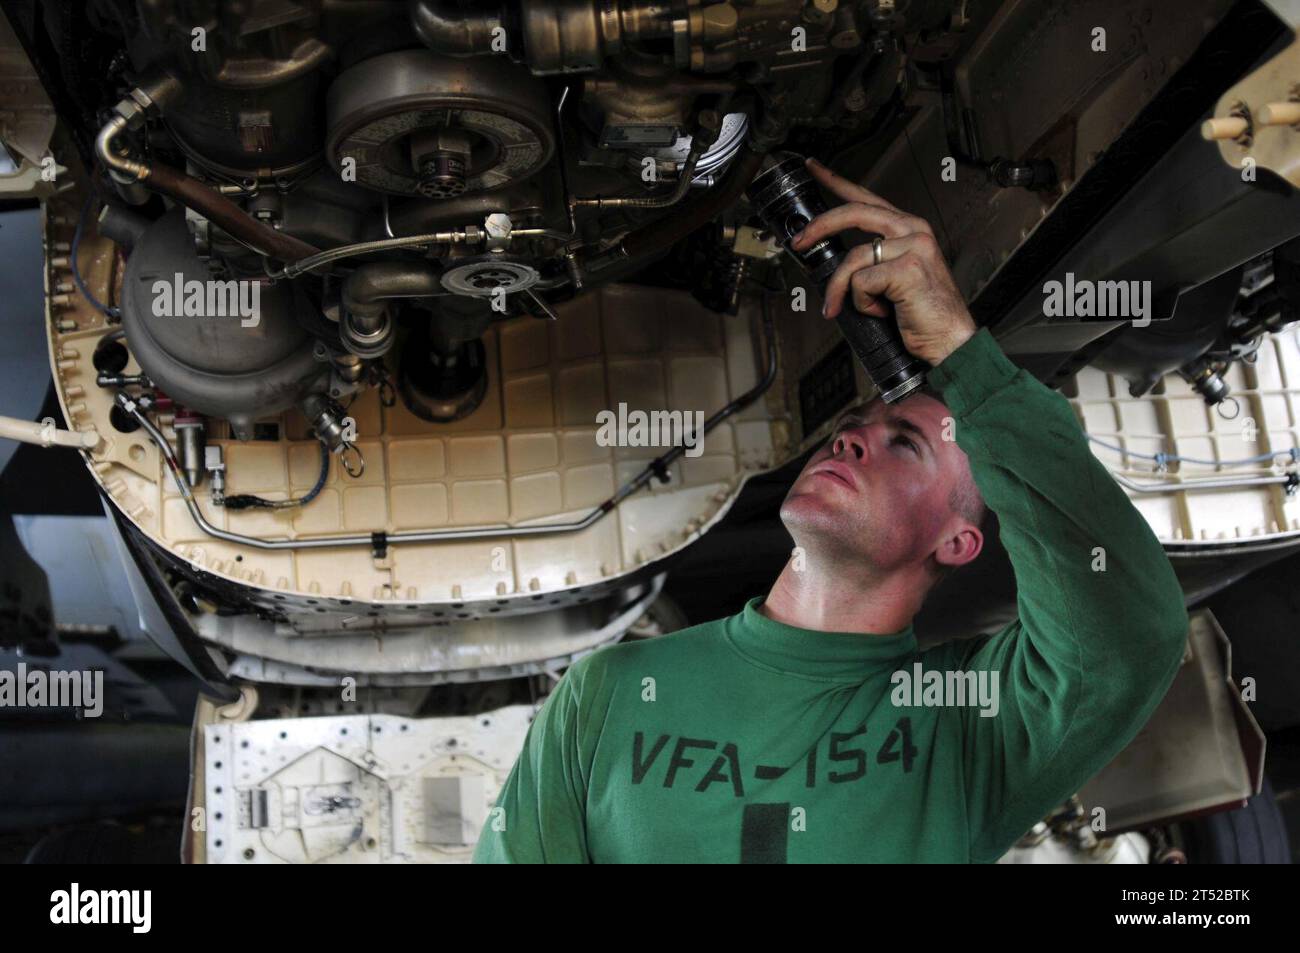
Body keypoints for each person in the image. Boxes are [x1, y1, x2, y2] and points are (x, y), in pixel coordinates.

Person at [472, 157, 1189, 863]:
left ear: (959, 540)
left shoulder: (968, 724)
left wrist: (965, 357)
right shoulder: (604, 693)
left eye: (904, 443)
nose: (853, 435)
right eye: (858, 421)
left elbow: (1129, 639)